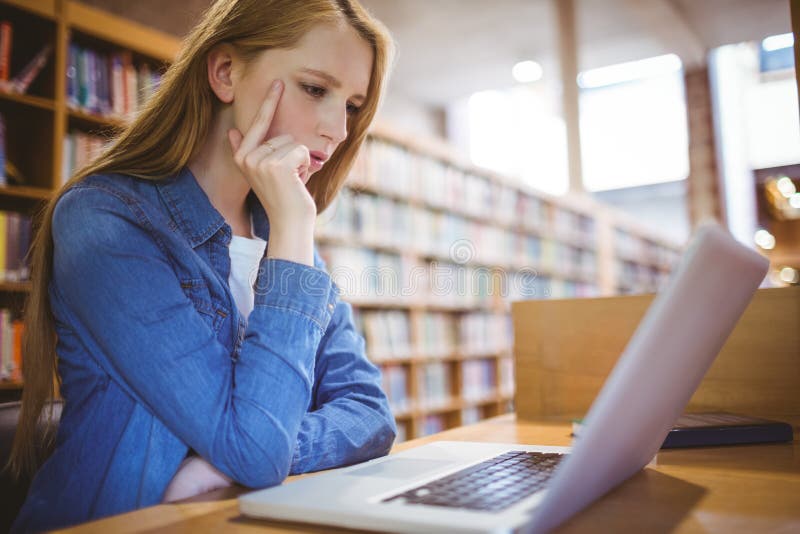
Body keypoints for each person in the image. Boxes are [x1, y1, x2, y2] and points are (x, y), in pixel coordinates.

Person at [9, 0, 396, 531]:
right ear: (225, 73)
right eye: (315, 89)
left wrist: (221, 463)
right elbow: (257, 451)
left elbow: (372, 414)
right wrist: (249, 452)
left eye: (352, 105)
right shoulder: (105, 222)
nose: (338, 128)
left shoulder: (289, 236)